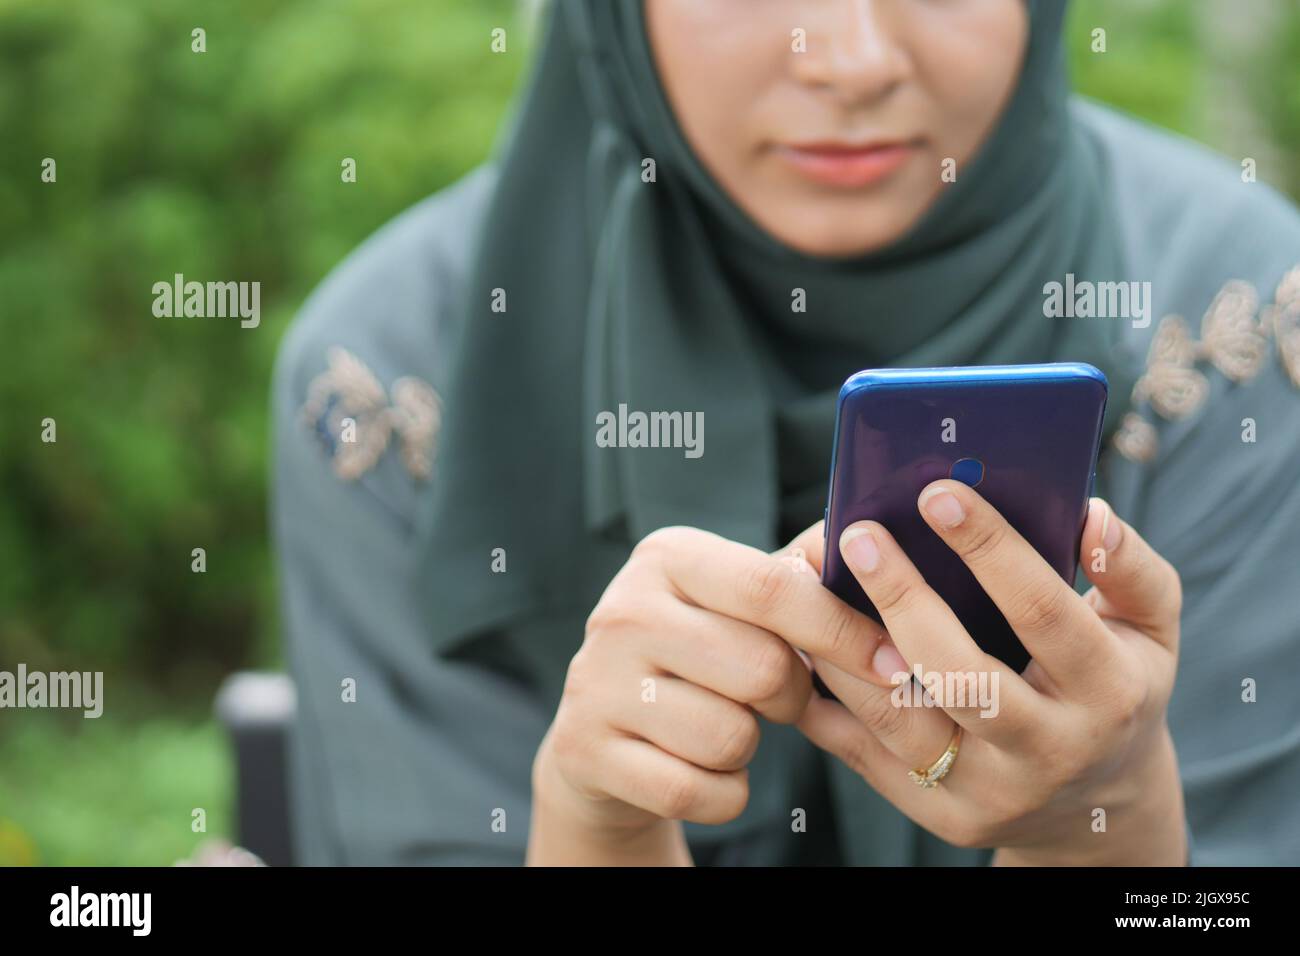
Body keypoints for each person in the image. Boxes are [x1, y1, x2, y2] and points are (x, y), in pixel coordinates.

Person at [271, 0, 1300, 865]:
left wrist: (1100, 818)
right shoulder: (393, 374)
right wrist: (598, 826)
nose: (850, 62)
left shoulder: (1241, 323)